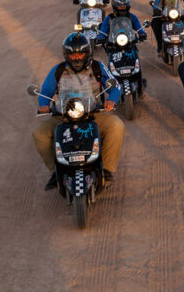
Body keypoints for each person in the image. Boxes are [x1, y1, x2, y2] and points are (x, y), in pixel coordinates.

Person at [31, 33, 125, 190]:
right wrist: (43, 104)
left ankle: (107, 169)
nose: (76, 58)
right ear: (66, 54)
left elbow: (116, 85)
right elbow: (46, 90)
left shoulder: (97, 67)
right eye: (72, 54)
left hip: (93, 114)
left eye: (80, 53)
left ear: (87, 52)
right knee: (39, 133)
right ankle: (56, 171)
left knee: (116, 125)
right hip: (63, 116)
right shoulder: (59, 69)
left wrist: (111, 100)